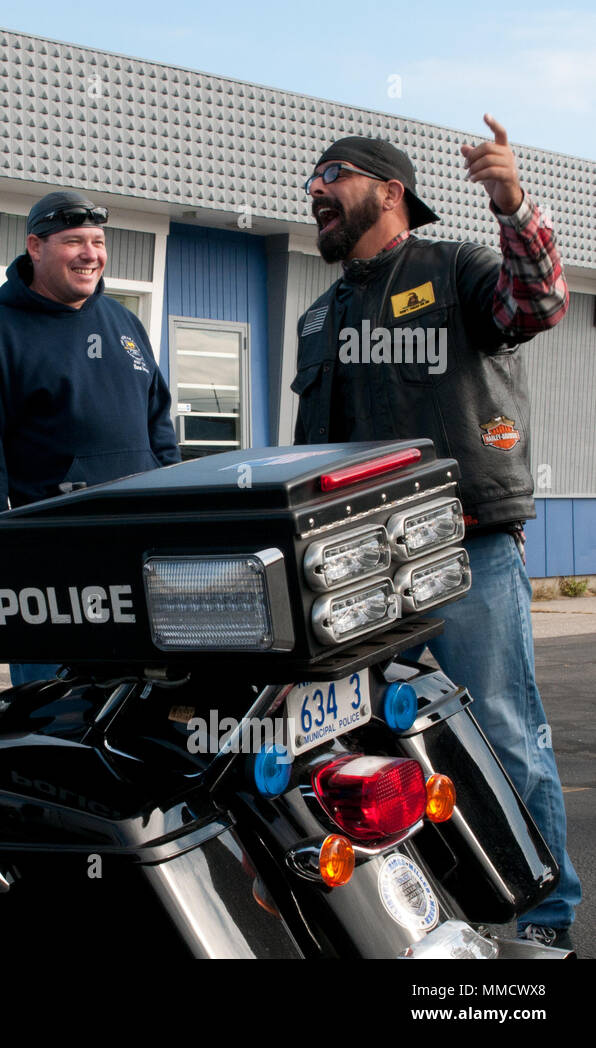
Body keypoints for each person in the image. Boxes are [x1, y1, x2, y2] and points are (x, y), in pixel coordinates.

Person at [292, 117, 580, 949]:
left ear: (391, 193)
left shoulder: (458, 270)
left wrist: (513, 203)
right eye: (311, 180)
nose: (315, 189)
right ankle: (406, 917)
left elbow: (540, 302)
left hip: (463, 550)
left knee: (499, 732)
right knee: (360, 745)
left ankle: (544, 921)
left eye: (332, 175)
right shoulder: (320, 317)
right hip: (347, 577)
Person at [0, 190, 180, 684]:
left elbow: (159, 428)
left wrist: (172, 511)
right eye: (74, 241)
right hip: (53, 576)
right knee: (59, 725)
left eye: (97, 241)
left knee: (148, 709)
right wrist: (0, 561)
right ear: (35, 246)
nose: (90, 254)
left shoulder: (123, 323)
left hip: (143, 559)